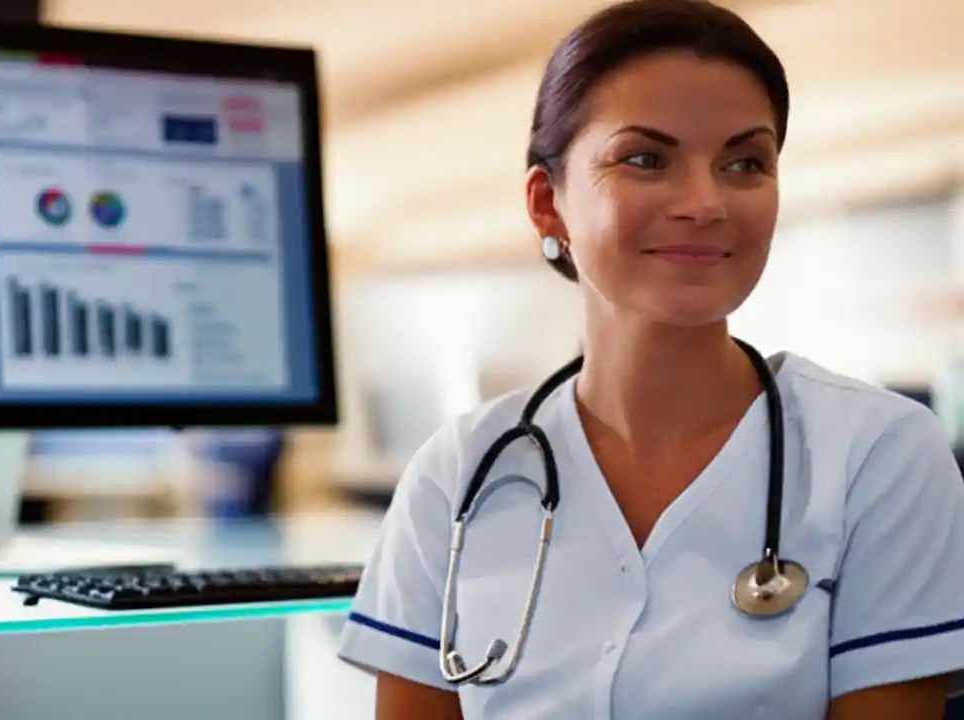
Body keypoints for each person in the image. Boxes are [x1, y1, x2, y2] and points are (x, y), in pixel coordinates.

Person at [335, 0, 964, 718]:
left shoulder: (878, 457)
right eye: (645, 159)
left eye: (744, 162)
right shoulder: (455, 477)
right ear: (548, 203)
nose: (705, 201)